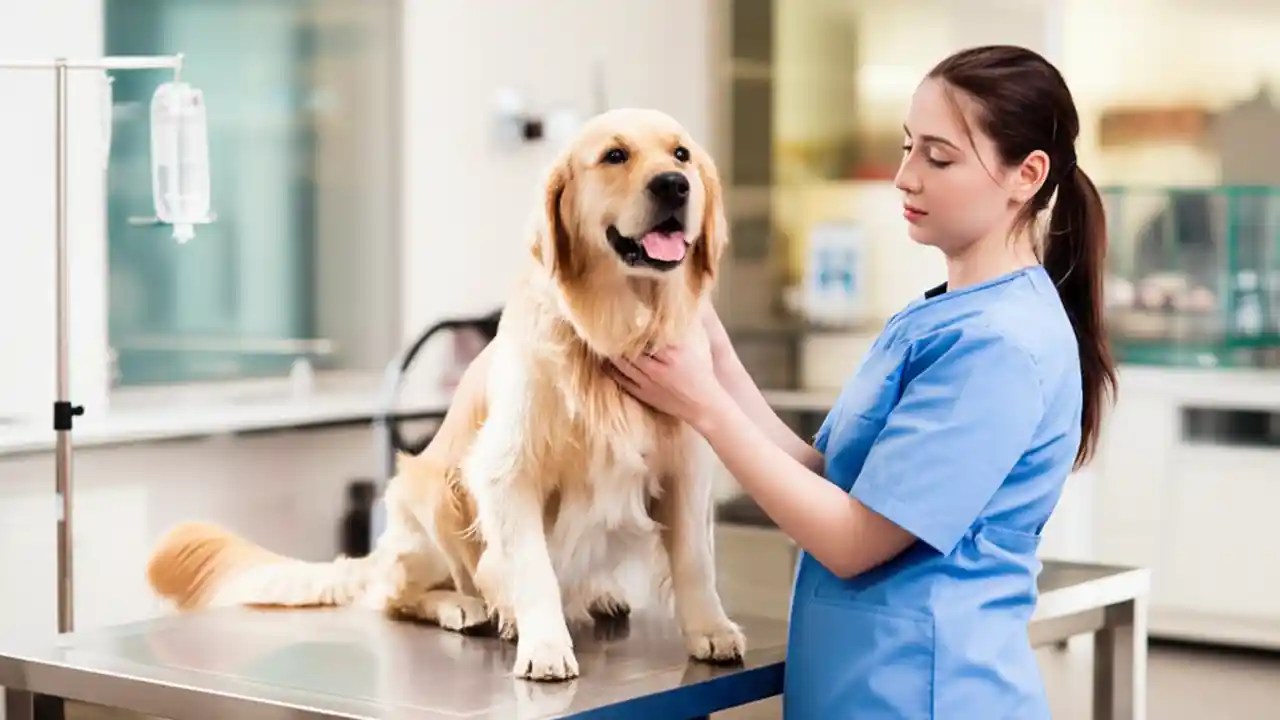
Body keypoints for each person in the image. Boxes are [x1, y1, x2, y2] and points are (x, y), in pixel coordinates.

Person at [610, 45, 1117, 719]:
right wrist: (722, 368)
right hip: (867, 689)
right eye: (907, 147)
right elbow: (833, 481)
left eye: (938, 157)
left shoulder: (1000, 347)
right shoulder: (938, 315)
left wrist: (703, 407)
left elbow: (854, 541)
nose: (905, 177)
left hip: (929, 695)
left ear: (1025, 175)